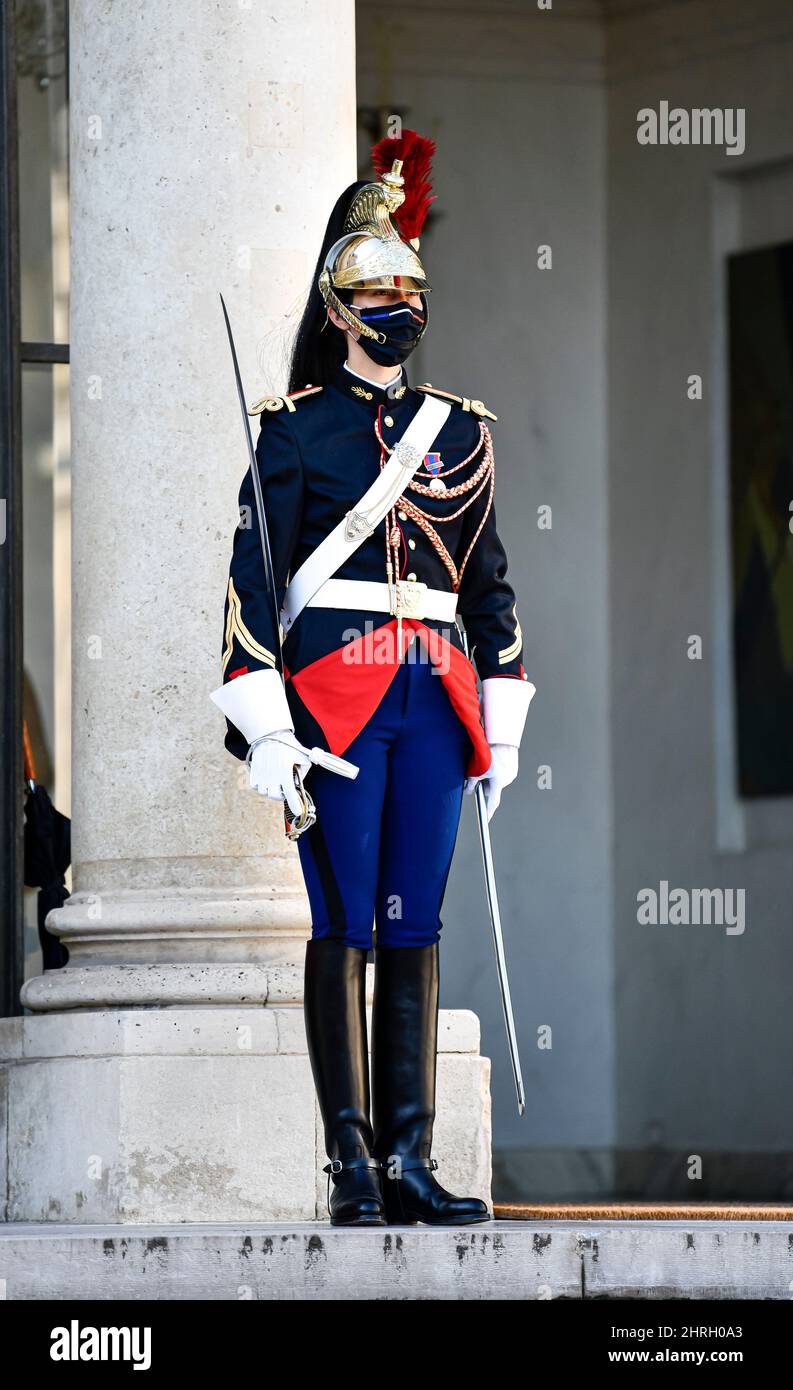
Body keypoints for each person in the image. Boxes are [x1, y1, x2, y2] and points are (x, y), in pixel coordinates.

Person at [210, 131, 536, 1226]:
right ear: (337, 308)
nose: (396, 300)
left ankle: (409, 1158)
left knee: (413, 925)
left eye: (408, 284)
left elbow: (489, 588)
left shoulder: (462, 435)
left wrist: (507, 717)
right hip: (336, 704)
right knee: (344, 920)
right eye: (375, 287)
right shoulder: (294, 434)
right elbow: (250, 593)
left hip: (435, 706)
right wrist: (264, 723)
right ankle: (349, 1166)